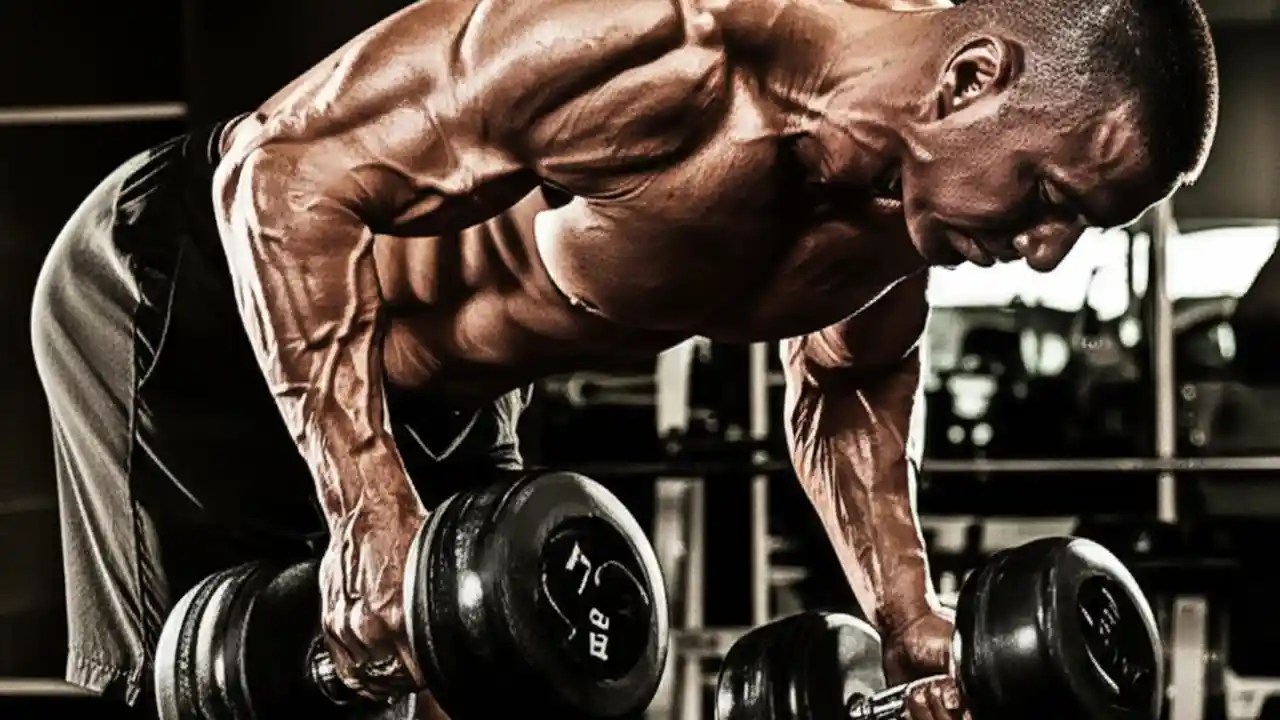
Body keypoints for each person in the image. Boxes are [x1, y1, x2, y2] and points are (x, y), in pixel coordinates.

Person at [30, 0, 1218, 718]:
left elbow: (847, 382)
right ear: (970, 79)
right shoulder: (671, 46)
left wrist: (907, 616)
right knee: (201, 692)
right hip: (200, 284)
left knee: (480, 697)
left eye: (1084, 225)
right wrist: (366, 504)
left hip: (447, 396)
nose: (1047, 252)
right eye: (1051, 195)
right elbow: (282, 176)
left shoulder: (901, 217)